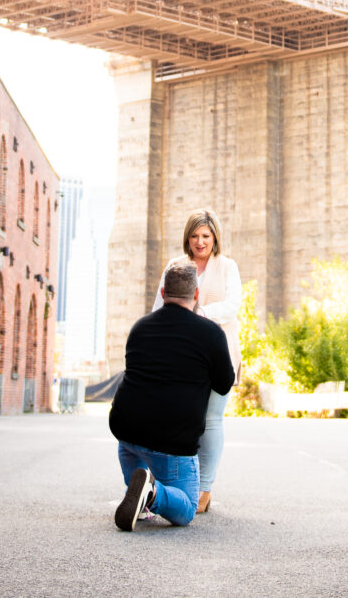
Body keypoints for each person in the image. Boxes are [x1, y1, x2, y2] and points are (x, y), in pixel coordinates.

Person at [110, 258, 234, 530]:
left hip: (128, 436)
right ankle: (152, 494)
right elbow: (225, 383)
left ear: (163, 294)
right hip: (172, 443)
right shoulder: (211, 334)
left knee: (137, 442)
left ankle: (139, 486)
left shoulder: (139, 327)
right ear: (197, 295)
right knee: (187, 510)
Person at [154, 209, 242, 514]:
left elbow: (232, 307)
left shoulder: (227, 266)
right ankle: (171, 482)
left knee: (211, 420)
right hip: (182, 356)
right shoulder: (175, 266)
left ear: (215, 237)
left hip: (219, 353)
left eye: (205, 235)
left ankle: (204, 489)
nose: (200, 241)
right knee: (178, 419)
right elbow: (159, 305)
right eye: (194, 235)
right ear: (187, 238)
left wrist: (197, 314)